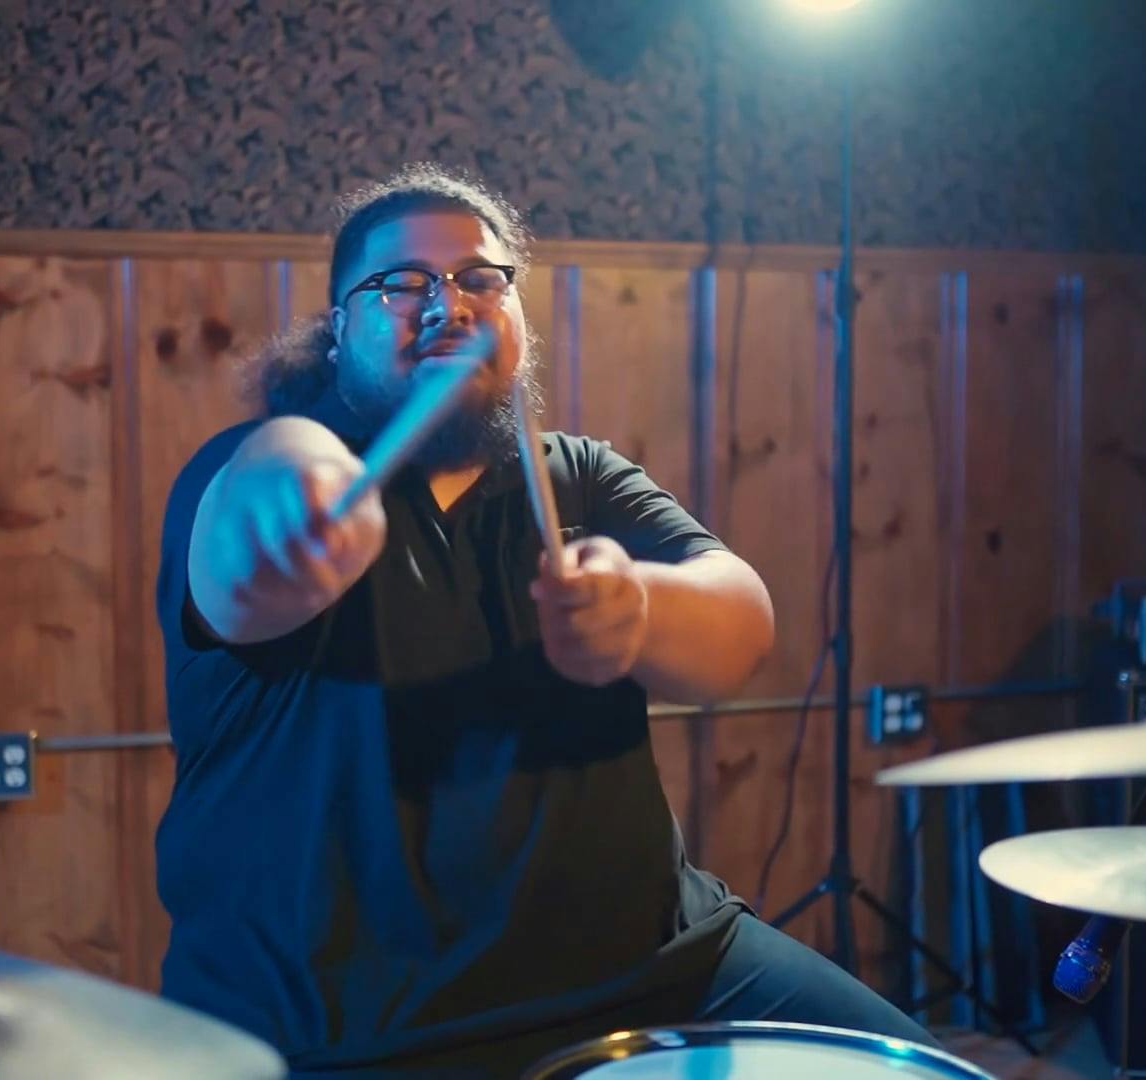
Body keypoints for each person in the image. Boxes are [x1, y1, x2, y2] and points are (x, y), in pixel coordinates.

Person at [153, 164, 933, 1076]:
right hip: (344, 1028)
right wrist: (298, 486)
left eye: (480, 279)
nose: (446, 303)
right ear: (337, 333)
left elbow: (741, 625)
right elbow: (248, 550)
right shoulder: (246, 468)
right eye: (401, 283)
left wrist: (640, 609)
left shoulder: (578, 477)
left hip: (660, 972)